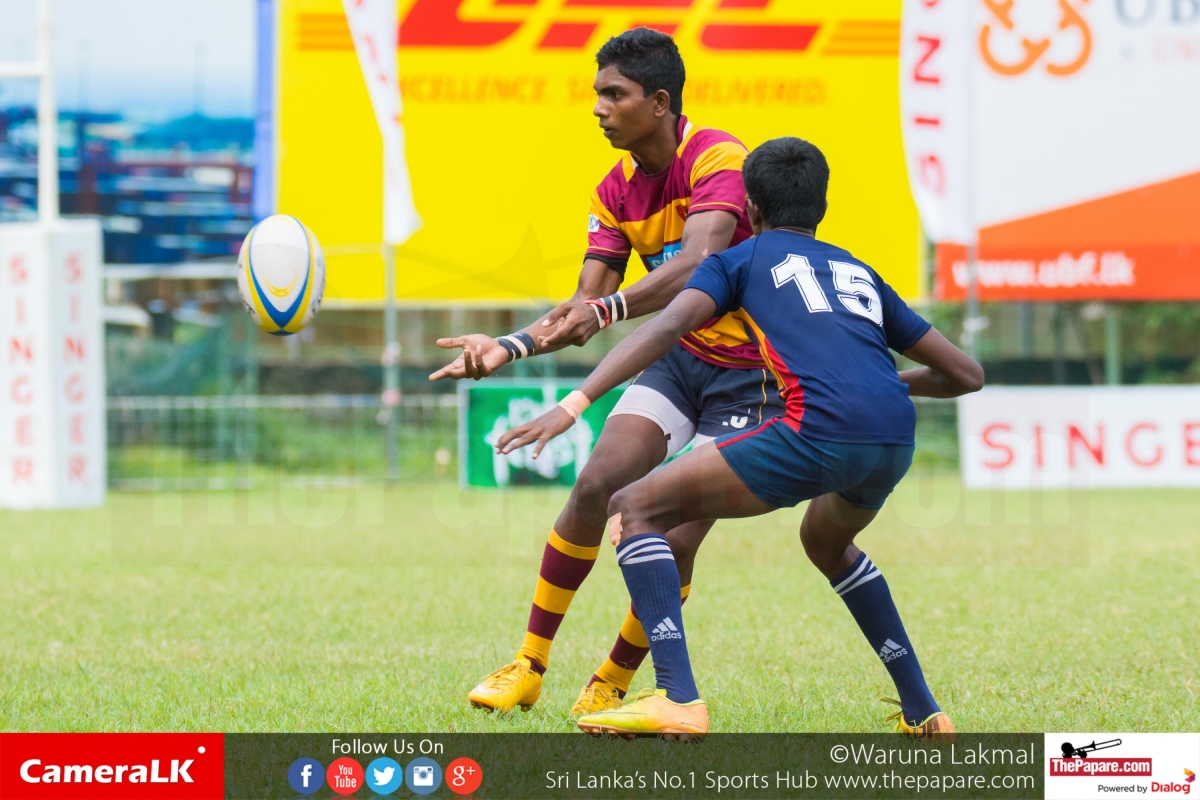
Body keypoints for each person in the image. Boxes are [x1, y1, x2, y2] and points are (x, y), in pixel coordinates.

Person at [496, 137, 985, 738]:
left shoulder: (741, 260)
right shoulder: (858, 271)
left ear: (749, 207)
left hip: (815, 431)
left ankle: (678, 699)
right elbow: (966, 375)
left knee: (633, 506)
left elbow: (664, 329)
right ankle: (922, 709)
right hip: (891, 441)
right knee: (826, 543)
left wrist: (575, 403)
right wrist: (876, 387)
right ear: (822, 207)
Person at [429, 28, 785, 715]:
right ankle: (528, 665)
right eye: (597, 94)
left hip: (754, 376)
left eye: (613, 94)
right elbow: (583, 306)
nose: (598, 108)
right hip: (680, 362)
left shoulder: (718, 155)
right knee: (595, 483)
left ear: (659, 103)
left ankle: (612, 680)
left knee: (676, 530)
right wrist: (508, 346)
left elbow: (700, 263)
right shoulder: (612, 192)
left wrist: (609, 308)